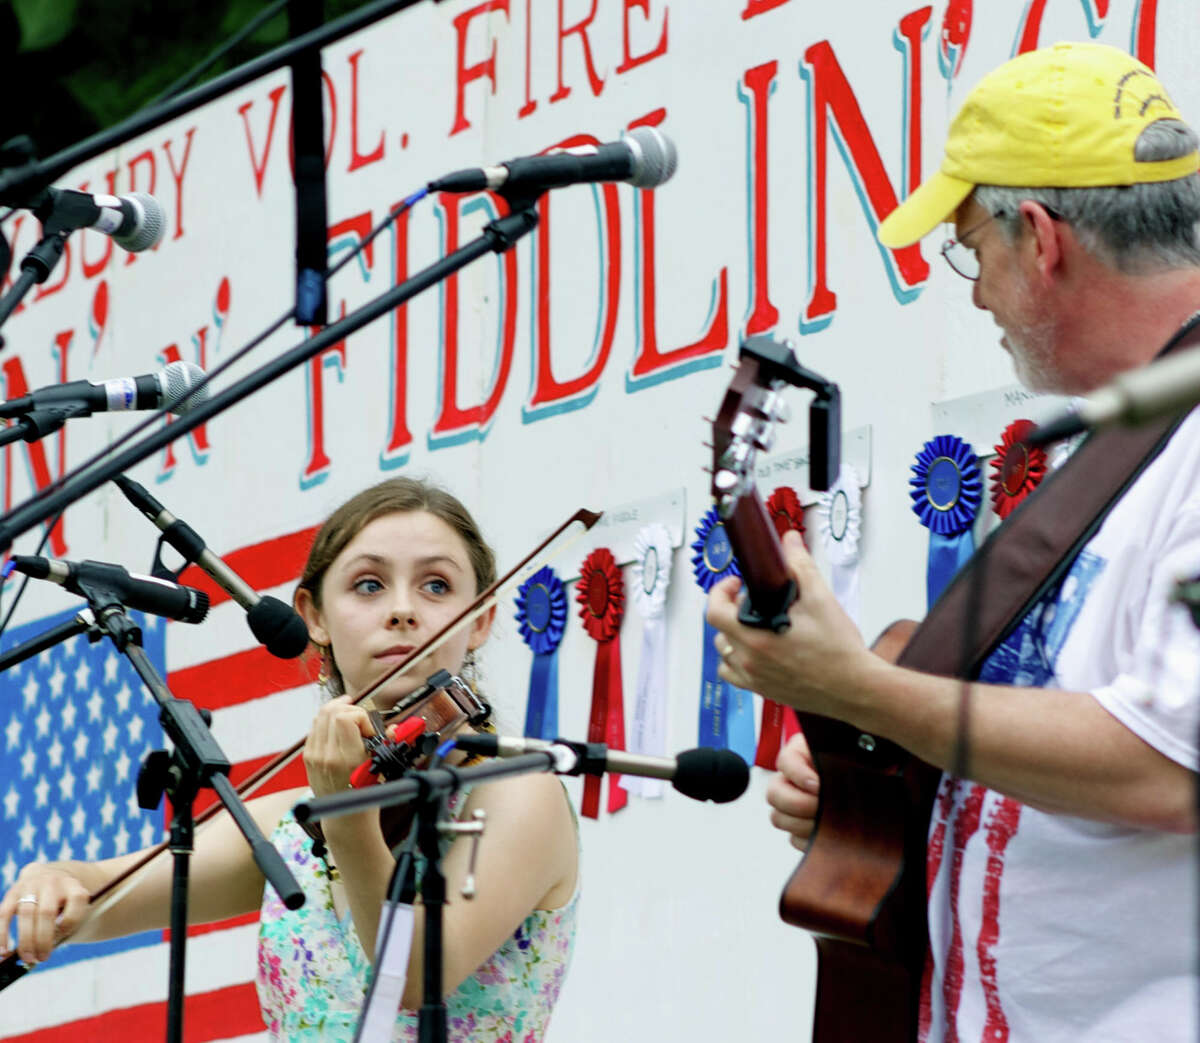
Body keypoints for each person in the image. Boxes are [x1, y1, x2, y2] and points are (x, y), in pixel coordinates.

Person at [707, 41, 1200, 1043]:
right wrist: (877, 773)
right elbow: (1058, 721)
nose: (975, 293)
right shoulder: (1121, 440)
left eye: (974, 250)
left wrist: (867, 692)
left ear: (1041, 238)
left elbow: (1172, 763)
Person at [0, 477, 580, 1041]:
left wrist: (346, 811)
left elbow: (412, 977)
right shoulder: (295, 824)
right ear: (314, 615)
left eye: (435, 586)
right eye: (370, 585)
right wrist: (54, 881)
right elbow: (103, 895)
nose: (403, 610)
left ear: (479, 618)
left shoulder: (515, 791)